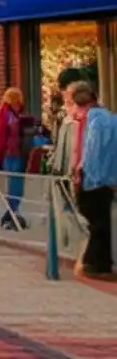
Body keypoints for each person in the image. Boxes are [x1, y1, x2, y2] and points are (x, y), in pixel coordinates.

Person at [71, 81, 115, 279]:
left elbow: (91, 152)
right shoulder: (110, 118)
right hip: (107, 179)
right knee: (101, 221)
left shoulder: (94, 122)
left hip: (94, 179)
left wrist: (82, 172)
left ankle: (95, 263)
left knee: (94, 222)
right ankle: (100, 262)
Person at [0, 87, 32, 230]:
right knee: (14, 187)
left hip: (19, 154)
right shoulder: (6, 114)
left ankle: (11, 214)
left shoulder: (18, 114)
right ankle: (12, 215)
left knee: (17, 187)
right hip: (10, 155)